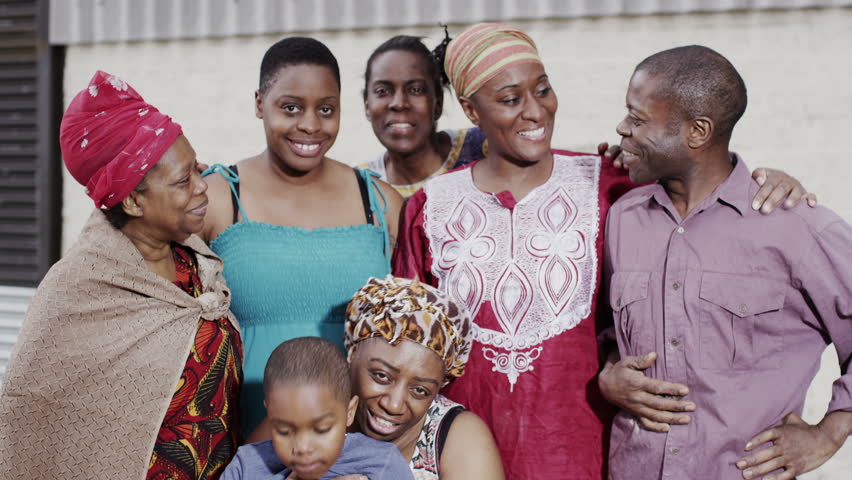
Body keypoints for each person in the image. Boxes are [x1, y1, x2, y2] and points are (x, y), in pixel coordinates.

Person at [393, 23, 817, 479]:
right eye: (511, 99)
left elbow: (704, 183)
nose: (535, 111)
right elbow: (406, 352)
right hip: (464, 458)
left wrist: (768, 182)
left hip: (588, 455)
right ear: (470, 109)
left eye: (544, 90)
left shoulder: (611, 185)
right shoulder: (429, 209)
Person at [598, 45, 852, 479]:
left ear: (697, 132)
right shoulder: (623, 218)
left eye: (638, 119)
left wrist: (832, 430)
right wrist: (608, 376)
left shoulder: (798, 228)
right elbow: (606, 334)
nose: (622, 127)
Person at [0, 71, 242, 479]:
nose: (203, 188)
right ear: (131, 200)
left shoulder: (199, 268)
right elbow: (28, 410)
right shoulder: (77, 292)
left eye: (198, 169)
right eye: (183, 181)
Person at [200, 37, 405, 435]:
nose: (310, 124)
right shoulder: (218, 196)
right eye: (290, 107)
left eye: (326, 109)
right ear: (260, 103)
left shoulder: (381, 203)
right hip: (240, 438)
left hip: (356, 443)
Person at [345, 276, 504, 480]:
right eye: (382, 376)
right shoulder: (310, 411)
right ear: (353, 353)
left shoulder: (460, 439)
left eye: (420, 390)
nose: (393, 405)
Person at [221, 337, 413, 480]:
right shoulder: (245, 465)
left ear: (349, 412)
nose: (303, 448)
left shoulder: (382, 462)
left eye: (321, 430)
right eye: (285, 431)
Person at [360, 33, 486, 198]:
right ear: (367, 105)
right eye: (382, 91)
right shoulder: (360, 188)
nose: (399, 103)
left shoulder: (484, 148)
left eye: (416, 90)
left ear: (438, 103)